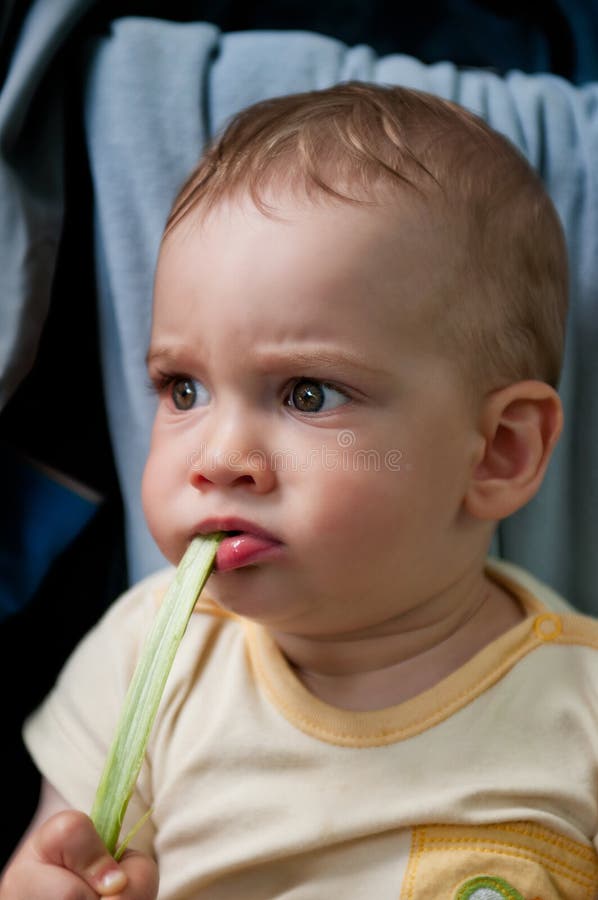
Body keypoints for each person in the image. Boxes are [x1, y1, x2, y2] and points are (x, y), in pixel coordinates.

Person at [1, 81, 596, 898]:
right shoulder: (143, 664)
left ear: (496, 450)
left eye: (307, 393)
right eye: (182, 389)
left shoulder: (583, 715)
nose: (218, 457)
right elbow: (54, 858)